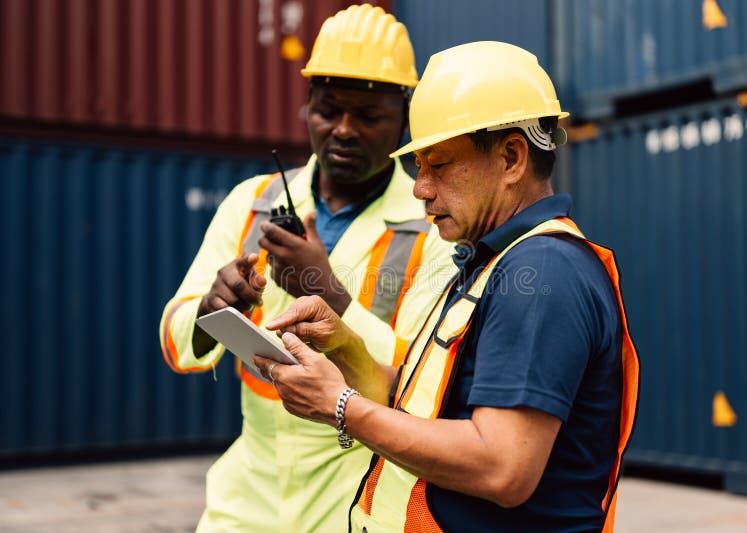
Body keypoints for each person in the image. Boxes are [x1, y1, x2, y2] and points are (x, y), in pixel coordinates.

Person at [255, 41, 640, 532]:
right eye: (419, 166)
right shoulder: (491, 262)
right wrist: (344, 346)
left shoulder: (542, 272)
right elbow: (422, 404)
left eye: (438, 164)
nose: (420, 187)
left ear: (511, 158)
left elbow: (501, 466)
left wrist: (340, 406)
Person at [158, 5, 455, 532]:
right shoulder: (251, 202)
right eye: (329, 110)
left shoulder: (434, 228)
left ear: (403, 120)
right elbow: (178, 341)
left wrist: (327, 291)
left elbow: (421, 386)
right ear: (307, 105)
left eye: (368, 116)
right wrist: (213, 307)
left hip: (357, 494)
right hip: (247, 501)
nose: (344, 130)